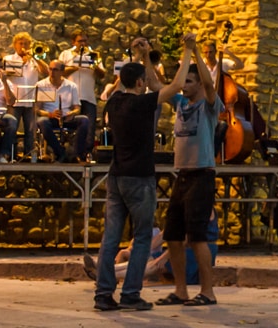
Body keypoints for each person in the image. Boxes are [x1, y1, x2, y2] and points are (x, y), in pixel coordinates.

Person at [93, 39, 164, 311]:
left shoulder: (113, 102)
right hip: (140, 177)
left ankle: (103, 294)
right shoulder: (143, 104)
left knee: (110, 236)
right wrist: (148, 57)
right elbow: (169, 87)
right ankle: (131, 293)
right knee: (143, 236)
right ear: (139, 84)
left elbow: (129, 85)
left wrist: (142, 57)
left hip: (116, 175)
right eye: (143, 81)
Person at [157, 32, 223, 306]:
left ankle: (207, 292)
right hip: (182, 175)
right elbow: (155, 85)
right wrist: (146, 57)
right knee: (172, 235)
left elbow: (210, 85)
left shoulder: (209, 106)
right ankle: (181, 290)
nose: (184, 85)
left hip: (202, 175)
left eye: (189, 81)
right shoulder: (181, 103)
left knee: (197, 238)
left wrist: (194, 51)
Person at [34, 61, 92, 162]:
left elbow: (77, 108)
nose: (52, 72)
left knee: (84, 120)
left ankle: (76, 154)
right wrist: (50, 114)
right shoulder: (41, 85)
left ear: (62, 71)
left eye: (55, 70)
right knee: (42, 121)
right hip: (50, 117)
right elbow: (37, 109)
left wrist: (71, 113)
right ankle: (60, 152)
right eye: (50, 69)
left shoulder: (71, 86)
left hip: (66, 117)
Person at [3, 32, 46, 161]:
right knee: (12, 129)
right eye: (20, 43)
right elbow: (6, 75)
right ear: (15, 45)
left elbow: (46, 71)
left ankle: (29, 156)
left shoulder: (34, 60)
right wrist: (21, 63)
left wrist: (35, 58)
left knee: (31, 130)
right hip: (14, 100)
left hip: (31, 100)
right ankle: (11, 155)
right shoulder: (8, 59)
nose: (23, 46)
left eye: (26, 44)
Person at [57, 30, 102, 131]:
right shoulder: (65, 54)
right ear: (73, 42)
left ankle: (88, 147)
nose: (83, 44)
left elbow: (102, 75)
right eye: (80, 41)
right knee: (69, 128)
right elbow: (59, 72)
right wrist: (76, 66)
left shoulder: (93, 55)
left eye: (85, 41)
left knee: (89, 130)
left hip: (88, 97)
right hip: (69, 98)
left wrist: (94, 67)